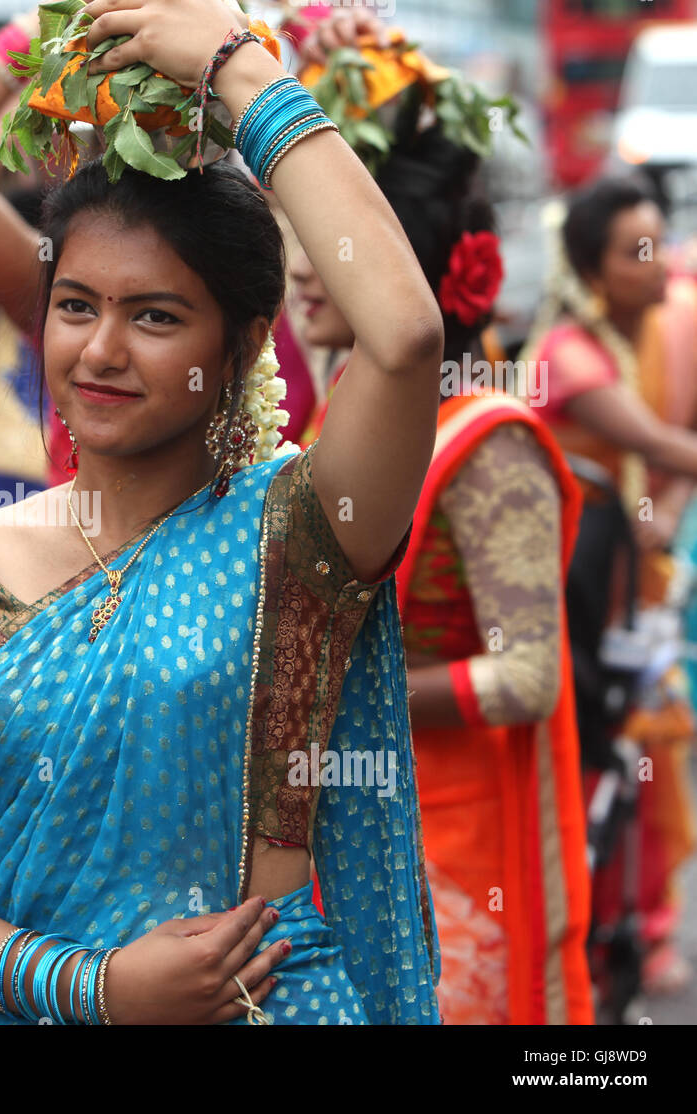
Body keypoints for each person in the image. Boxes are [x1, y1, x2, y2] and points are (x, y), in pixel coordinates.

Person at [0, 0, 445, 1025]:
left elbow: (406, 339)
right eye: (76, 306)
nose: (101, 351)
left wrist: (239, 67)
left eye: (155, 317)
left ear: (242, 345)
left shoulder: (299, 532)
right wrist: (97, 987)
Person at [293, 109, 593, 1021]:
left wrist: (339, 694)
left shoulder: (492, 446)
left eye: (328, 246)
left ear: (405, 280)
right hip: (344, 811)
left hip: (454, 841)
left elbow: (529, 676)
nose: (300, 267)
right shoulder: (340, 415)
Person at [522, 176, 697, 997]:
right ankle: (584, 942)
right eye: (638, 251)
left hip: (621, 593)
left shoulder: (655, 334)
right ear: (594, 273)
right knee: (595, 760)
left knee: (640, 754)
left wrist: (667, 513)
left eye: (658, 242)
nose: (659, 263)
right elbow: (660, 443)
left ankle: (632, 928)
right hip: (567, 602)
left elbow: (673, 451)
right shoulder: (569, 355)